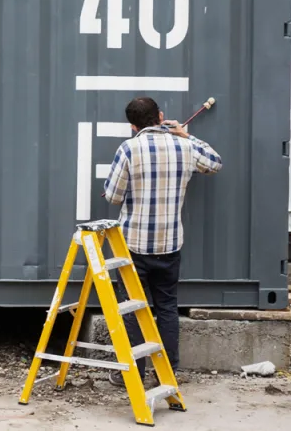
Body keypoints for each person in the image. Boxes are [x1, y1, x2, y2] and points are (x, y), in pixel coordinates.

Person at [102, 96, 222, 387]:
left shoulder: (128, 149)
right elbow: (215, 163)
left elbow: (113, 196)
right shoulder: (185, 146)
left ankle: (130, 373)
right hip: (170, 243)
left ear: (133, 125)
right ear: (161, 115)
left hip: (135, 245)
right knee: (167, 307)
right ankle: (167, 372)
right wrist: (185, 133)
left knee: (133, 309)